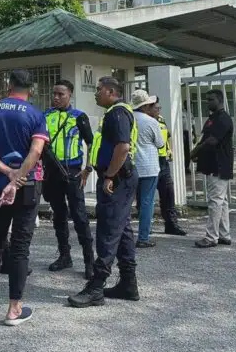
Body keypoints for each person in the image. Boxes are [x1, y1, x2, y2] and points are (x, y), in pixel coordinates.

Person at [0, 69, 48, 326]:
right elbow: (36, 151)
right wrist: (18, 179)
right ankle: (14, 309)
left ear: (9, 85)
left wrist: (6, 173)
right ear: (31, 89)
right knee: (19, 244)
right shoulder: (36, 114)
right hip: (28, 185)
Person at [69, 76, 139, 308]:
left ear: (111, 91)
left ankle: (96, 286)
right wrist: (91, 168)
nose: (96, 93)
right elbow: (103, 146)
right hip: (119, 178)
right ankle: (128, 284)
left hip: (117, 180)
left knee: (108, 230)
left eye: (99, 90)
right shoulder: (116, 113)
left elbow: (123, 147)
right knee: (123, 229)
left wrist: (109, 175)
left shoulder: (117, 114)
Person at [41, 79, 95, 279]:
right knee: (58, 214)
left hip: (72, 171)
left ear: (69, 95)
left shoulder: (79, 116)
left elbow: (91, 143)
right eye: (54, 93)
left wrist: (87, 168)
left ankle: (89, 261)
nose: (56, 97)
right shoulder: (45, 115)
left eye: (60, 94)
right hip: (51, 172)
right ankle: (65, 256)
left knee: (80, 216)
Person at [189, 89, 234, 248]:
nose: (208, 103)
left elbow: (212, 141)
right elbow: (205, 138)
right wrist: (198, 154)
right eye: (207, 100)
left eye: (211, 100)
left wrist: (194, 151)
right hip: (211, 165)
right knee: (222, 201)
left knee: (215, 201)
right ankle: (223, 234)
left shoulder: (223, 119)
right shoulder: (212, 119)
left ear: (220, 100)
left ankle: (211, 237)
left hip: (219, 166)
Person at [147, 101, 187, 236]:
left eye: (160, 107)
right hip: (149, 161)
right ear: (148, 108)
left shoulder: (161, 120)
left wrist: (169, 150)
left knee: (168, 193)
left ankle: (171, 224)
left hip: (163, 162)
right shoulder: (144, 121)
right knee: (147, 196)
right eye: (156, 108)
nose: (159, 110)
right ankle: (146, 226)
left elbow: (167, 137)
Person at [131, 89, 163, 248]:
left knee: (128, 201)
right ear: (144, 106)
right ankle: (143, 236)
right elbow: (160, 143)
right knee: (147, 202)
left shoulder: (128, 118)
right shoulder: (151, 122)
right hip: (149, 167)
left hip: (131, 165)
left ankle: (125, 235)